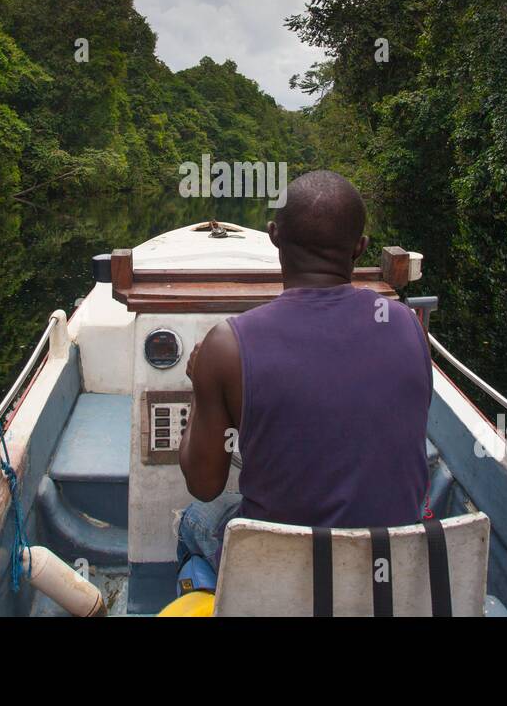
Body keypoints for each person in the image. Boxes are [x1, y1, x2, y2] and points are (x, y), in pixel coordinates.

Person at [176, 170, 432, 588]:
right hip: (388, 571)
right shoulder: (408, 325)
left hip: (283, 576)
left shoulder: (225, 347)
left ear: (274, 236)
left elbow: (204, 485)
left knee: (195, 519)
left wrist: (198, 388)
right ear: (361, 247)